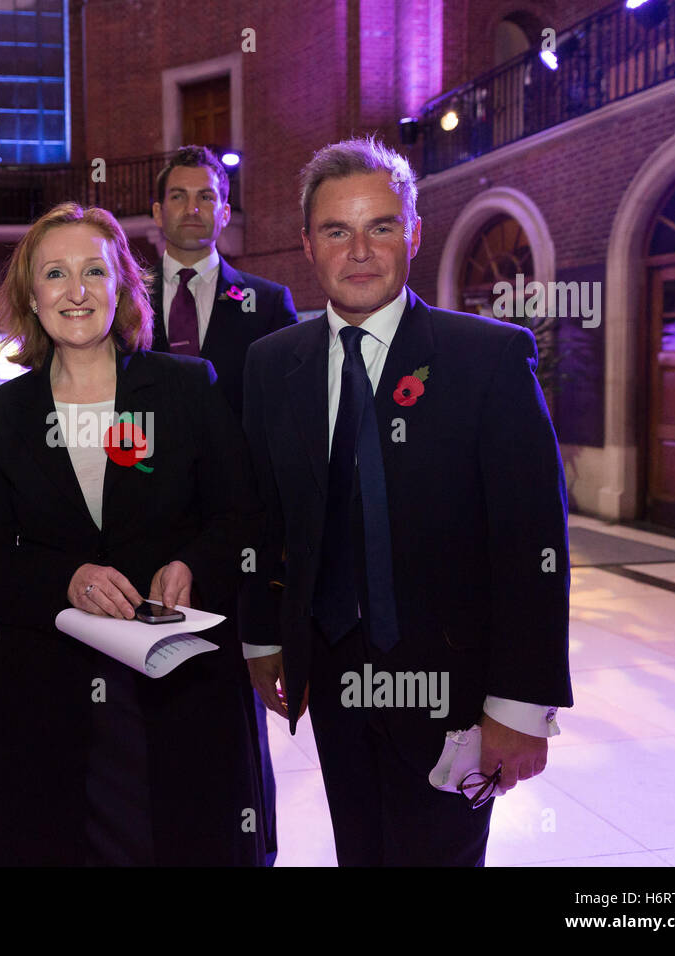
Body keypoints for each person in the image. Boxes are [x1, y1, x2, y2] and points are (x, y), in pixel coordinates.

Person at [241, 136, 572, 866]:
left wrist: (519, 707)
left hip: (454, 685)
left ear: (413, 234)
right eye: (336, 230)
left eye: (381, 226)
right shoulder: (272, 364)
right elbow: (265, 516)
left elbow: (533, 546)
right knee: (360, 849)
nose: (359, 250)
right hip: (329, 673)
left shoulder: (487, 358)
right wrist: (265, 637)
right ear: (306, 244)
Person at [0, 202, 264, 866]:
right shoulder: (3, 416)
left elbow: (241, 516)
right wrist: (63, 582)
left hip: (178, 688)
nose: (76, 291)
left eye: (95, 270)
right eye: (56, 274)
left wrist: (192, 563)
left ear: (122, 285)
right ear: (31, 298)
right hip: (44, 698)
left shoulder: (186, 388)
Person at [148, 145, 297, 865]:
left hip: (235, 543)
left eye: (206, 197)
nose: (192, 209)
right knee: (150, 705)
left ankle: (244, 849)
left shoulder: (266, 304)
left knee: (232, 714)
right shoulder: (120, 295)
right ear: (155, 212)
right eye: (178, 196)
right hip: (144, 543)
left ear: (225, 211)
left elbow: (285, 429)